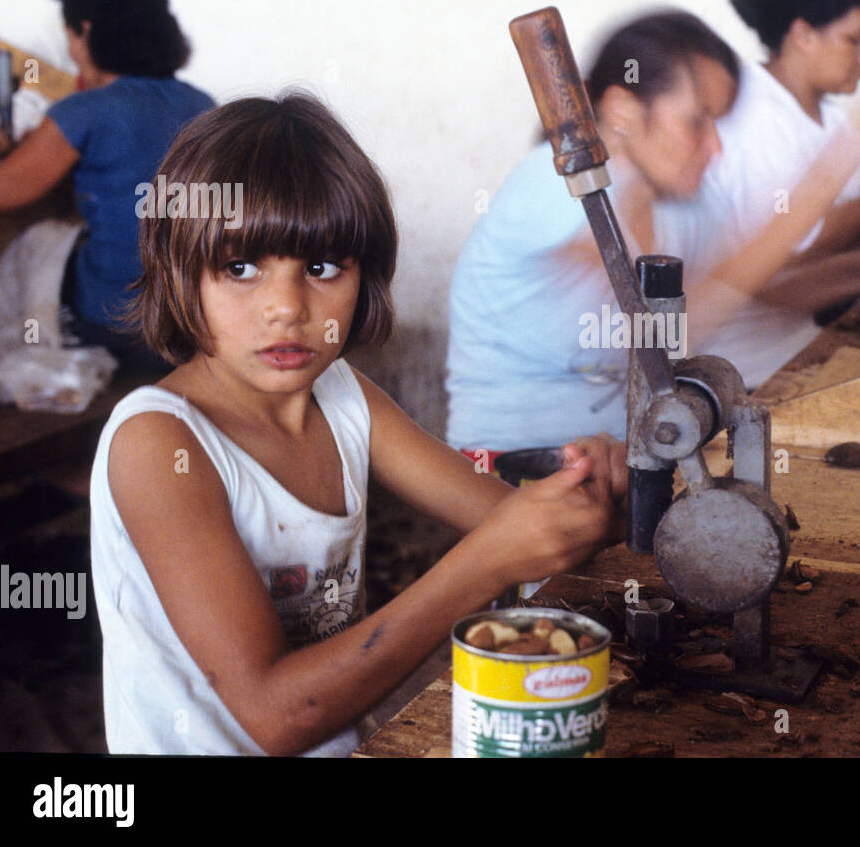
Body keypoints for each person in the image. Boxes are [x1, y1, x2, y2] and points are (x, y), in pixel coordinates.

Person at [89, 93, 624, 755]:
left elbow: (509, 520)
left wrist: (585, 489)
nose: (287, 308)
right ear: (180, 270)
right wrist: (487, 564)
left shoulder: (343, 398)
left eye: (321, 267)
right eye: (240, 268)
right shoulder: (158, 442)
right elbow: (276, 716)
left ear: (362, 274)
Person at [447, 8, 860, 456]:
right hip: (516, 468)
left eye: (720, 124)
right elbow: (672, 329)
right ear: (622, 110)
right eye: (697, 121)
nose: (715, 148)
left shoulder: (681, 207)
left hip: (630, 460)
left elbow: (758, 287)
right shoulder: (555, 185)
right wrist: (838, 163)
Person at [0, 0, 214, 372]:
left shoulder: (85, 111)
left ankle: (15, 381)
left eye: (70, 34)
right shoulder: (203, 104)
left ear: (85, 30)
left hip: (118, 326)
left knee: (36, 244)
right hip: (190, 320)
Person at [689, 0, 860, 388]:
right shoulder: (752, 117)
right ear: (803, 34)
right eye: (855, 39)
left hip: (808, 340)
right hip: (749, 369)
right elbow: (785, 246)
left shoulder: (828, 118)